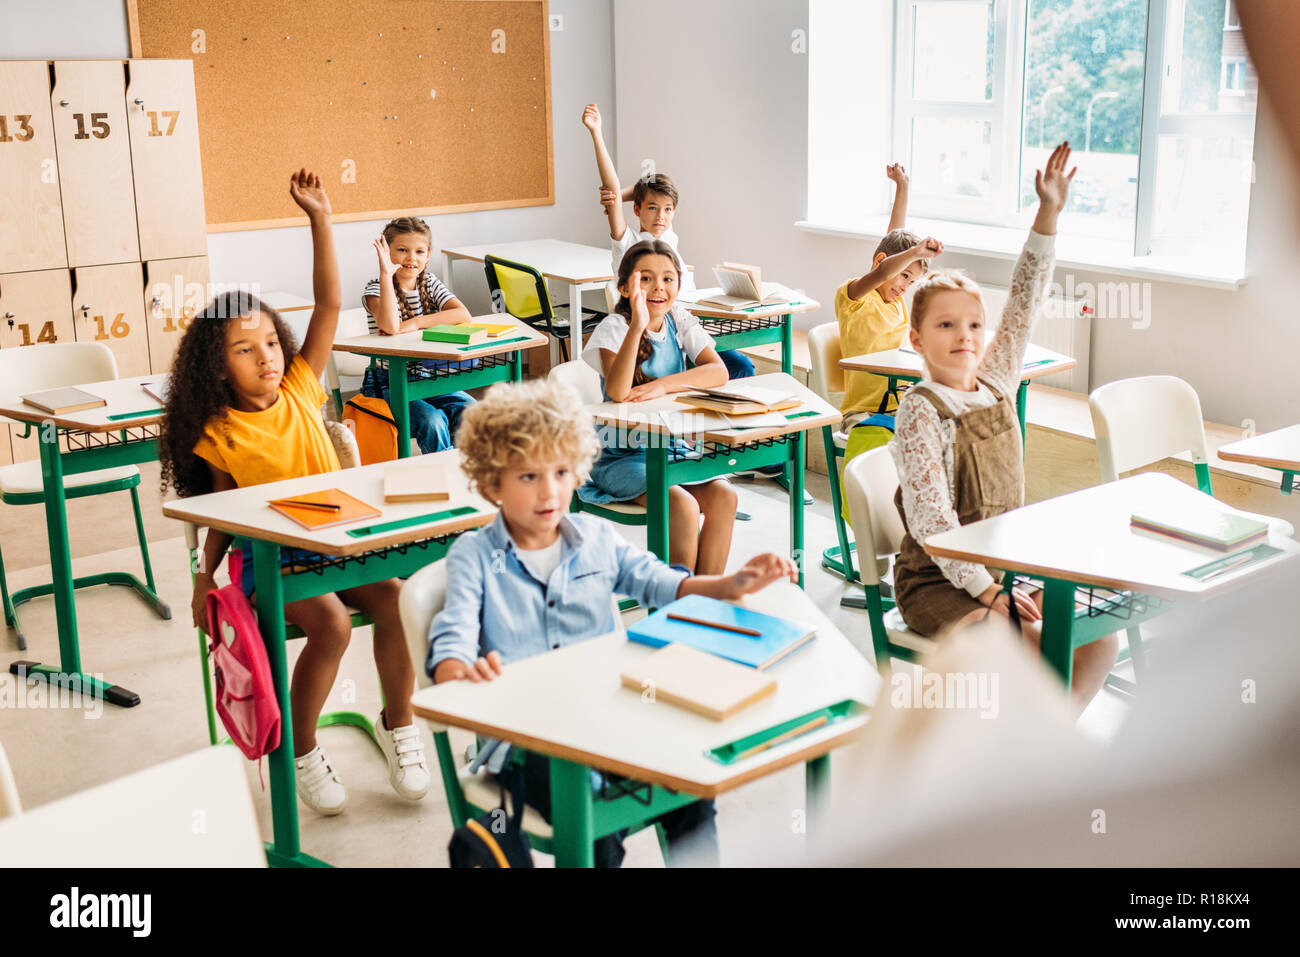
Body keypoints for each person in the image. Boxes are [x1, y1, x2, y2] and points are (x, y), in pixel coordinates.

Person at [427, 377, 798, 866]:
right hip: (527, 741)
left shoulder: (597, 537)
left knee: (692, 782)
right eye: (528, 477)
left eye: (561, 472)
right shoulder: (473, 556)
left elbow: (664, 584)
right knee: (593, 813)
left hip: (612, 716)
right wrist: (461, 672)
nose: (549, 491)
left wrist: (730, 586)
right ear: (492, 481)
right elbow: (450, 644)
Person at [159, 170, 428, 815]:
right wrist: (204, 576)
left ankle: (399, 727)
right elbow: (221, 514)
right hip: (272, 560)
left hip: (335, 540)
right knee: (332, 623)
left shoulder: (304, 384)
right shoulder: (220, 430)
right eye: (244, 350)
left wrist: (321, 219)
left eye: (271, 343)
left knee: (394, 599)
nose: (267, 358)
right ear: (215, 366)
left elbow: (330, 305)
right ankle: (301, 748)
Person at [889, 142, 1117, 711]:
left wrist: (1049, 215)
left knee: (1099, 638)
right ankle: (1026, 766)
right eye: (945, 325)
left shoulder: (994, 382)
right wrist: (989, 592)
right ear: (917, 340)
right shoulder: (919, 408)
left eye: (972, 324)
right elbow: (933, 521)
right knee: (1037, 649)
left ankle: (1048, 752)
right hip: (939, 581)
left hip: (1009, 565)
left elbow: (1025, 298)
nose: (963, 335)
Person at [579, 240, 740, 574]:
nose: (658, 288)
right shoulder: (615, 327)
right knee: (682, 506)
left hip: (671, 447)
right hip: (622, 457)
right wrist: (637, 324)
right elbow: (619, 392)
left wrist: (662, 384)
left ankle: (705, 599)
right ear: (624, 287)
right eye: (646, 279)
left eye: (668, 279)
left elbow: (718, 371)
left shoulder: (678, 319)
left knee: (725, 497)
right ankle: (677, 607)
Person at [361, 216, 476, 453]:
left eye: (419, 251)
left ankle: (465, 472)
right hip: (387, 383)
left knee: (472, 411)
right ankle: (441, 477)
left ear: (428, 254)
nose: (411, 258)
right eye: (402, 250)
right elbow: (391, 326)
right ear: (386, 251)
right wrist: (385, 274)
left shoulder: (430, 283)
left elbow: (463, 314)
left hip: (427, 376)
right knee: (432, 421)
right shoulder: (375, 289)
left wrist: (416, 323)